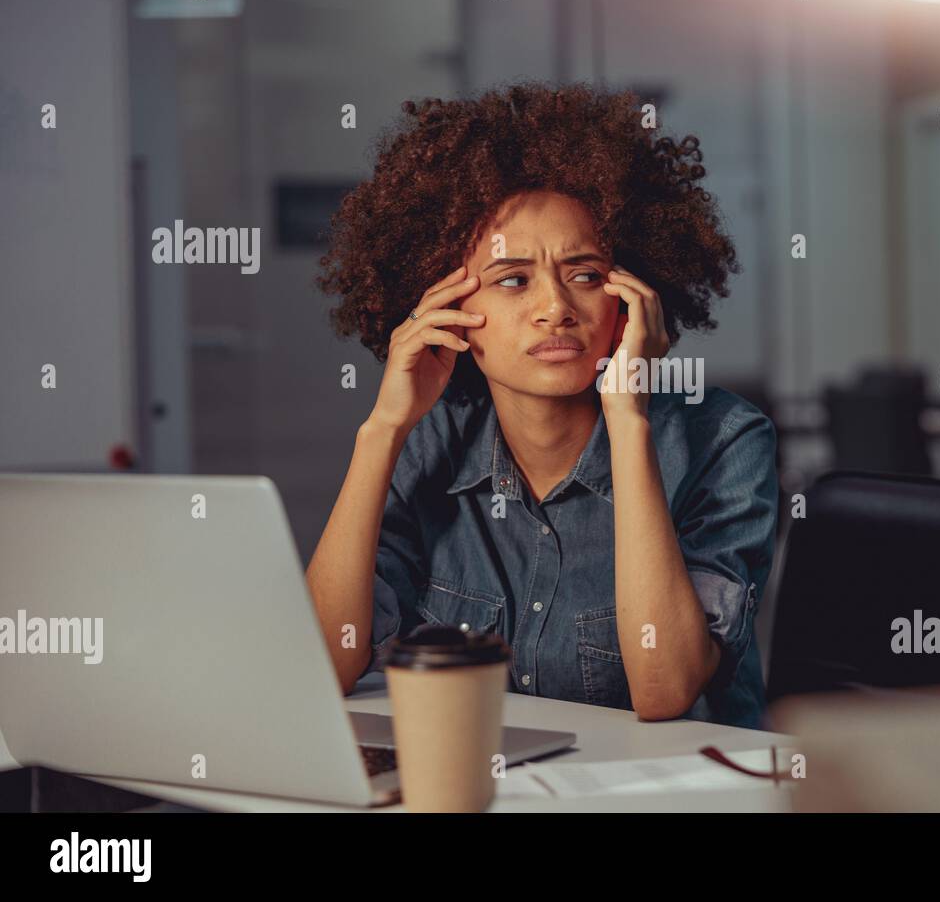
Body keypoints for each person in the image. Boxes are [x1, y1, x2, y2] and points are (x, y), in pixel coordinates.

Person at [306, 82, 777, 728]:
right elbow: (320, 667)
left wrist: (628, 420)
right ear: (453, 311)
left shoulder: (725, 441)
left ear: (631, 299)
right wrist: (383, 428)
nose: (555, 306)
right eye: (513, 280)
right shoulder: (431, 444)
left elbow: (665, 688)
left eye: (584, 275)